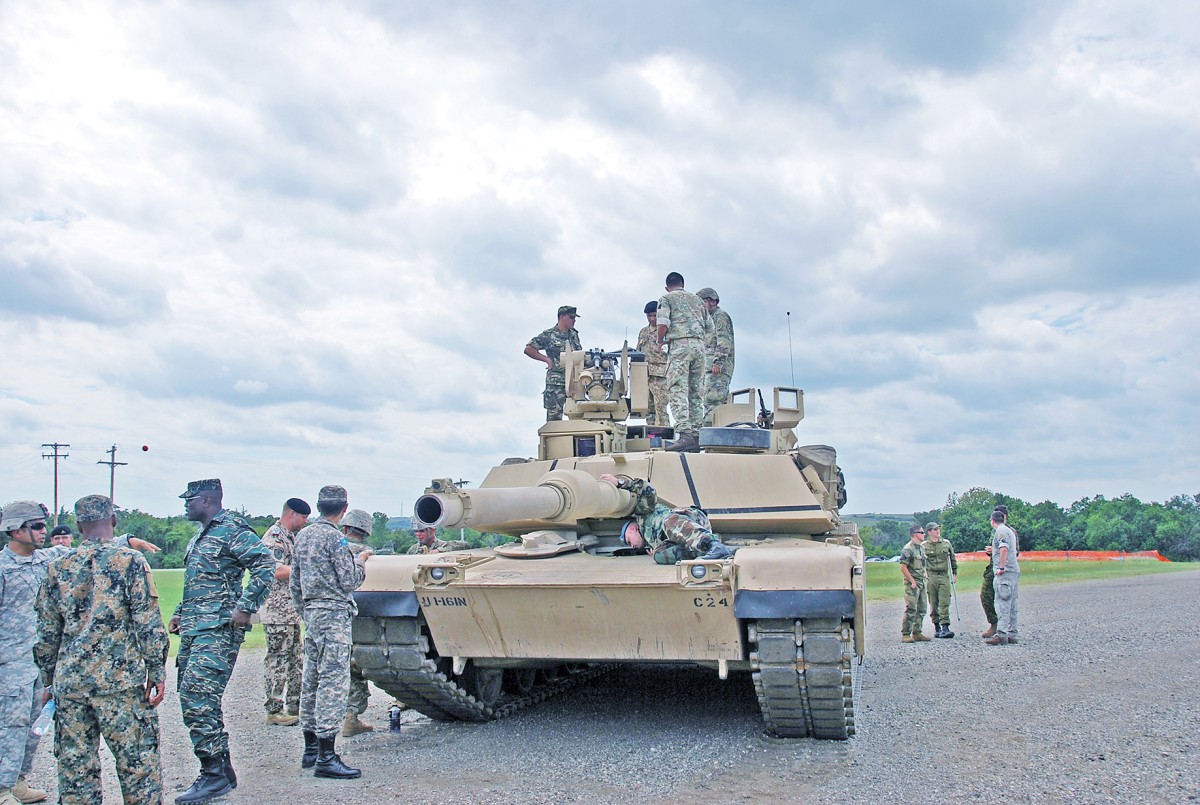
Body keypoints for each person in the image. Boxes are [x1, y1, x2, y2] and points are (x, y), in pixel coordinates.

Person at [0, 500, 156, 805]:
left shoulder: (48, 560)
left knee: (36, 725)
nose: (43, 532)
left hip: (44, 661)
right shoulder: (3, 569)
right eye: (36, 526)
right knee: (10, 725)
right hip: (10, 661)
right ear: (15, 531)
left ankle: (17, 779)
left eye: (43, 525)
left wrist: (130, 540)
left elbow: (96, 544)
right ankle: (1, 786)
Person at [169, 478, 274, 805]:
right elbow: (198, 581)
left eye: (190, 499)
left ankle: (213, 774)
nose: (185, 504)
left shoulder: (232, 529)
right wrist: (179, 611)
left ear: (207, 500)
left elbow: (265, 564)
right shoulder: (201, 534)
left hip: (218, 629)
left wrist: (246, 607)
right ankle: (221, 771)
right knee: (193, 697)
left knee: (197, 696)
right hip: (195, 627)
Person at [290, 486, 371, 780]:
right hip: (334, 615)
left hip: (312, 614)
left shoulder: (303, 536)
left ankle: (310, 749)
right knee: (333, 682)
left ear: (318, 506)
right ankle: (327, 755)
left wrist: (307, 612)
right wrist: (360, 562)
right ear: (343, 508)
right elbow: (349, 580)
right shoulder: (334, 538)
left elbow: (295, 583)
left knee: (310, 680)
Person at [260, 497, 312, 727]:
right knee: (278, 660)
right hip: (277, 612)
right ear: (291, 514)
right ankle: (274, 709)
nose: (304, 522)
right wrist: (305, 570)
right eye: (303, 518)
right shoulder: (274, 537)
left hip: (290, 612)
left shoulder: (291, 537)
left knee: (294, 660)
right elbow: (277, 570)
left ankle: (294, 705)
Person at [598, 474, 730, 564]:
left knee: (668, 522)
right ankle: (707, 552)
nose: (631, 545)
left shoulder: (643, 514)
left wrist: (619, 482)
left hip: (692, 521)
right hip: (687, 537)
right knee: (659, 556)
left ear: (632, 529)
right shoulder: (651, 542)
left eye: (628, 540)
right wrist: (659, 549)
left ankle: (714, 545)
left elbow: (648, 491)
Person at [656, 273, 713, 452]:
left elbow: (663, 323)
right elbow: (710, 327)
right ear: (683, 284)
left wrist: (660, 341)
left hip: (680, 346)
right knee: (696, 391)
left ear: (667, 287)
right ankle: (696, 435)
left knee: (677, 388)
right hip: (699, 347)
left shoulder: (666, 299)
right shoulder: (697, 300)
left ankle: (685, 434)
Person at [339, 509, 375, 738]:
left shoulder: (330, 548)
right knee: (356, 667)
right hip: (360, 618)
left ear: (345, 528)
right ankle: (350, 717)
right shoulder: (366, 555)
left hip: (325, 618)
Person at [524, 305, 583, 421]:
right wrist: (546, 359)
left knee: (578, 415)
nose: (574, 320)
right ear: (562, 317)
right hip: (557, 383)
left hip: (574, 381)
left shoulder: (574, 335)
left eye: (574, 318)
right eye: (571, 317)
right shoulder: (549, 335)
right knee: (554, 420)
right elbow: (529, 349)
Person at [696, 288, 734, 425]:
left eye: (702, 302)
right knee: (710, 403)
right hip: (709, 367)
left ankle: (710, 437)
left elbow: (724, 341)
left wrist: (718, 362)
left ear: (712, 301)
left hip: (717, 368)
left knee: (712, 402)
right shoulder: (708, 319)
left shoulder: (720, 316)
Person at [986, 509, 1020, 646]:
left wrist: (1001, 567)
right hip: (1013, 571)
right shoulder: (1009, 531)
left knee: (1002, 602)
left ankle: (1002, 633)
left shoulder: (1000, 531)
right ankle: (1012, 633)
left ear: (992, 521)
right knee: (1012, 603)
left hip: (1005, 573)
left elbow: (1004, 548)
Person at [635, 301, 670, 426]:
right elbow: (638, 352)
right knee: (648, 409)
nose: (652, 319)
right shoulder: (643, 332)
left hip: (660, 375)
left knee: (660, 408)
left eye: (654, 315)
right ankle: (651, 436)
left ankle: (665, 435)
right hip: (645, 375)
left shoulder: (666, 331)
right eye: (649, 316)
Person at [923, 522, 957, 638]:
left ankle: (945, 626)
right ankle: (936, 625)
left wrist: (954, 573)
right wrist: (924, 572)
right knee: (933, 601)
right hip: (931, 575)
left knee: (944, 601)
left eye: (938, 529)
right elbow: (921, 561)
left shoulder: (946, 544)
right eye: (935, 529)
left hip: (943, 575)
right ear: (929, 532)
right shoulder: (924, 546)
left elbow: (952, 559)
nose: (938, 531)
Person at [899, 525, 931, 643]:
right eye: (922, 533)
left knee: (922, 607)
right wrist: (912, 581)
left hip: (921, 581)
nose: (924, 534)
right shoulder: (908, 549)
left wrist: (925, 575)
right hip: (913, 583)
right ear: (915, 534)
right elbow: (903, 567)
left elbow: (923, 564)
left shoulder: (921, 548)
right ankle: (906, 633)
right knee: (911, 608)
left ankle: (917, 632)